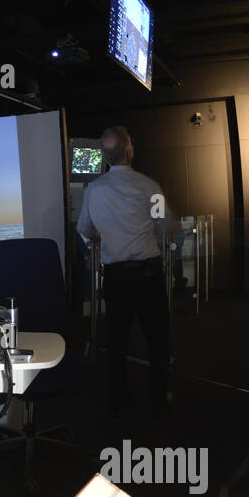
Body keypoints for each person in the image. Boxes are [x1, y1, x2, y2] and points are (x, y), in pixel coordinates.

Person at [77, 126, 170, 416]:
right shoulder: (148, 186)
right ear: (130, 152)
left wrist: (107, 236)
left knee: (116, 341)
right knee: (157, 340)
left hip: (115, 277)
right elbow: (163, 226)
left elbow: (84, 230)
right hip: (148, 275)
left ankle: (119, 401)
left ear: (105, 159)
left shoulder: (94, 190)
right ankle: (158, 398)